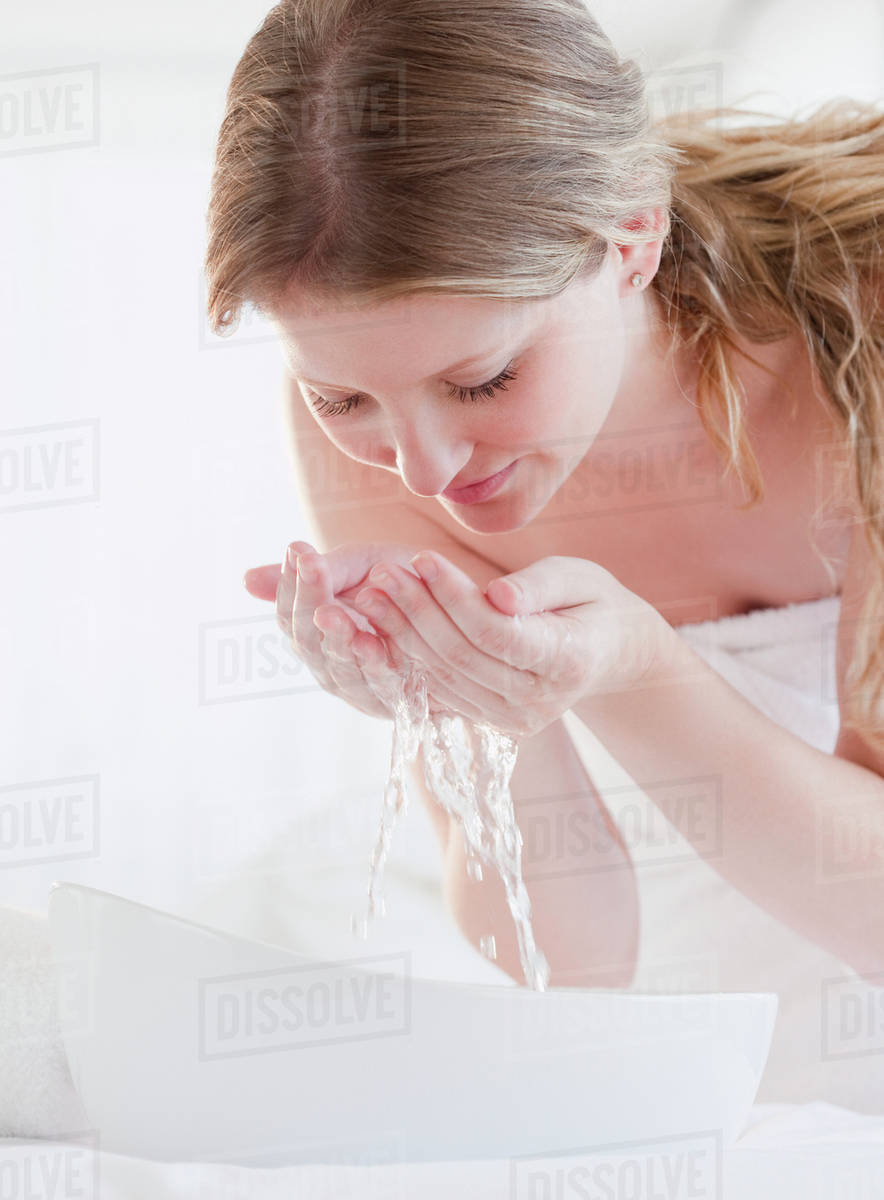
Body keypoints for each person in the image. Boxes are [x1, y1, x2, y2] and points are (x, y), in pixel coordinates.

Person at [203, 0, 884, 1063]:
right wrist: (462, 698)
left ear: (631, 240)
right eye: (341, 399)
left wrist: (632, 665)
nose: (422, 470)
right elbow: (568, 967)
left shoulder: (865, 342)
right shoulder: (377, 418)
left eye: (483, 380)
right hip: (694, 1061)